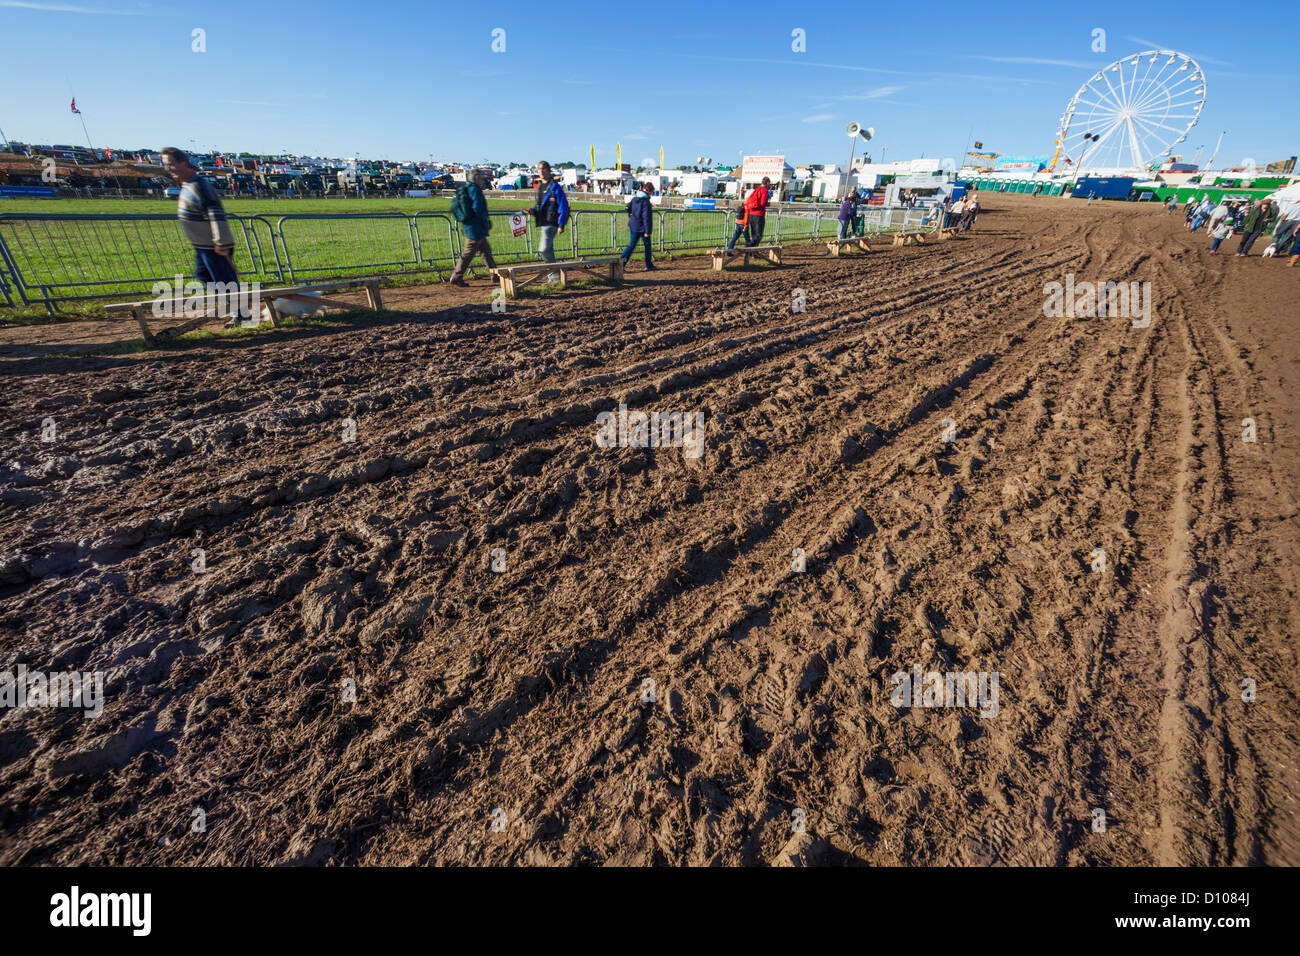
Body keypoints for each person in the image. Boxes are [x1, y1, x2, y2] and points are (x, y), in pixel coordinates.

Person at [161, 146, 245, 324]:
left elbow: (216, 214)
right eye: (165, 165)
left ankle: (241, 313)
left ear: (183, 162)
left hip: (214, 246)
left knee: (224, 281)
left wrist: (221, 243)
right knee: (204, 277)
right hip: (202, 246)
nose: (168, 169)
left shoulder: (199, 185)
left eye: (171, 164)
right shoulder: (188, 186)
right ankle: (236, 308)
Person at [449, 168, 496, 286]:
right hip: (476, 227)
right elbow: (478, 208)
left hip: (471, 226)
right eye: (482, 179)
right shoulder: (475, 190)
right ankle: (457, 275)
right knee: (468, 253)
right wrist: (485, 221)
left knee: (486, 251)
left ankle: (495, 274)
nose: (483, 181)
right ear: (476, 178)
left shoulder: (467, 189)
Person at [526, 160, 569, 270]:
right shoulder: (540, 187)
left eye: (543, 168)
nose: (541, 171)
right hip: (543, 222)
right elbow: (540, 206)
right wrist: (533, 211)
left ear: (549, 171)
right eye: (539, 169)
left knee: (544, 249)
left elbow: (563, 206)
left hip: (552, 222)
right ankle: (554, 276)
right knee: (548, 250)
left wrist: (561, 224)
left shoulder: (555, 187)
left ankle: (554, 274)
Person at [622, 181, 656, 270]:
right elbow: (646, 217)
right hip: (642, 227)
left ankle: (621, 263)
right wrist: (647, 231)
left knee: (631, 246)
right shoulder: (645, 201)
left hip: (633, 224)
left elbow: (628, 208)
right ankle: (648, 265)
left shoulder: (635, 198)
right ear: (650, 191)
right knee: (647, 246)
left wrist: (631, 217)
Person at [744, 176, 772, 246]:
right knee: (758, 235)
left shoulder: (757, 189)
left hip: (751, 213)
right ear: (768, 183)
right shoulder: (764, 191)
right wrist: (768, 203)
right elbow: (762, 203)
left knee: (754, 234)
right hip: (759, 214)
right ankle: (749, 246)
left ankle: (753, 252)